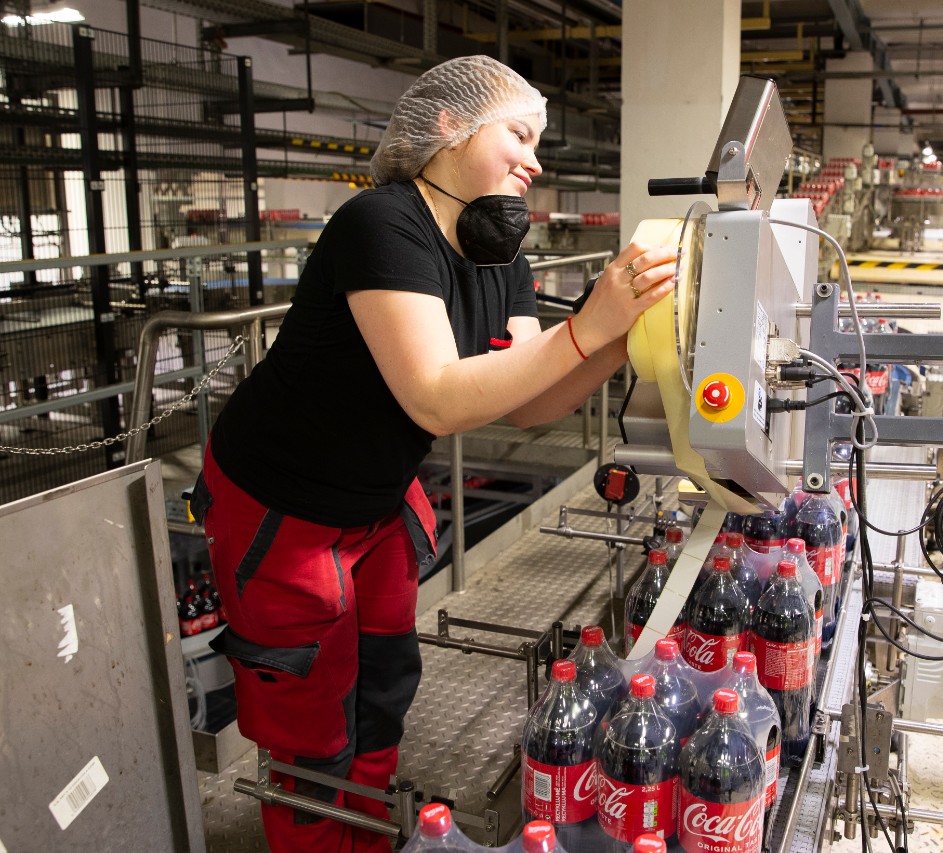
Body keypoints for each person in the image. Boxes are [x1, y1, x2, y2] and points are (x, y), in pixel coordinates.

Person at [190, 55, 676, 852]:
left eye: (537, 143)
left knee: (383, 689)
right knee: (310, 725)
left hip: (375, 502)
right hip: (284, 505)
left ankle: (365, 837)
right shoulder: (381, 223)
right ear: (449, 127)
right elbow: (436, 396)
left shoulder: (500, 253)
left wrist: (622, 339)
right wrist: (589, 322)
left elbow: (528, 401)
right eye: (518, 135)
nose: (535, 161)